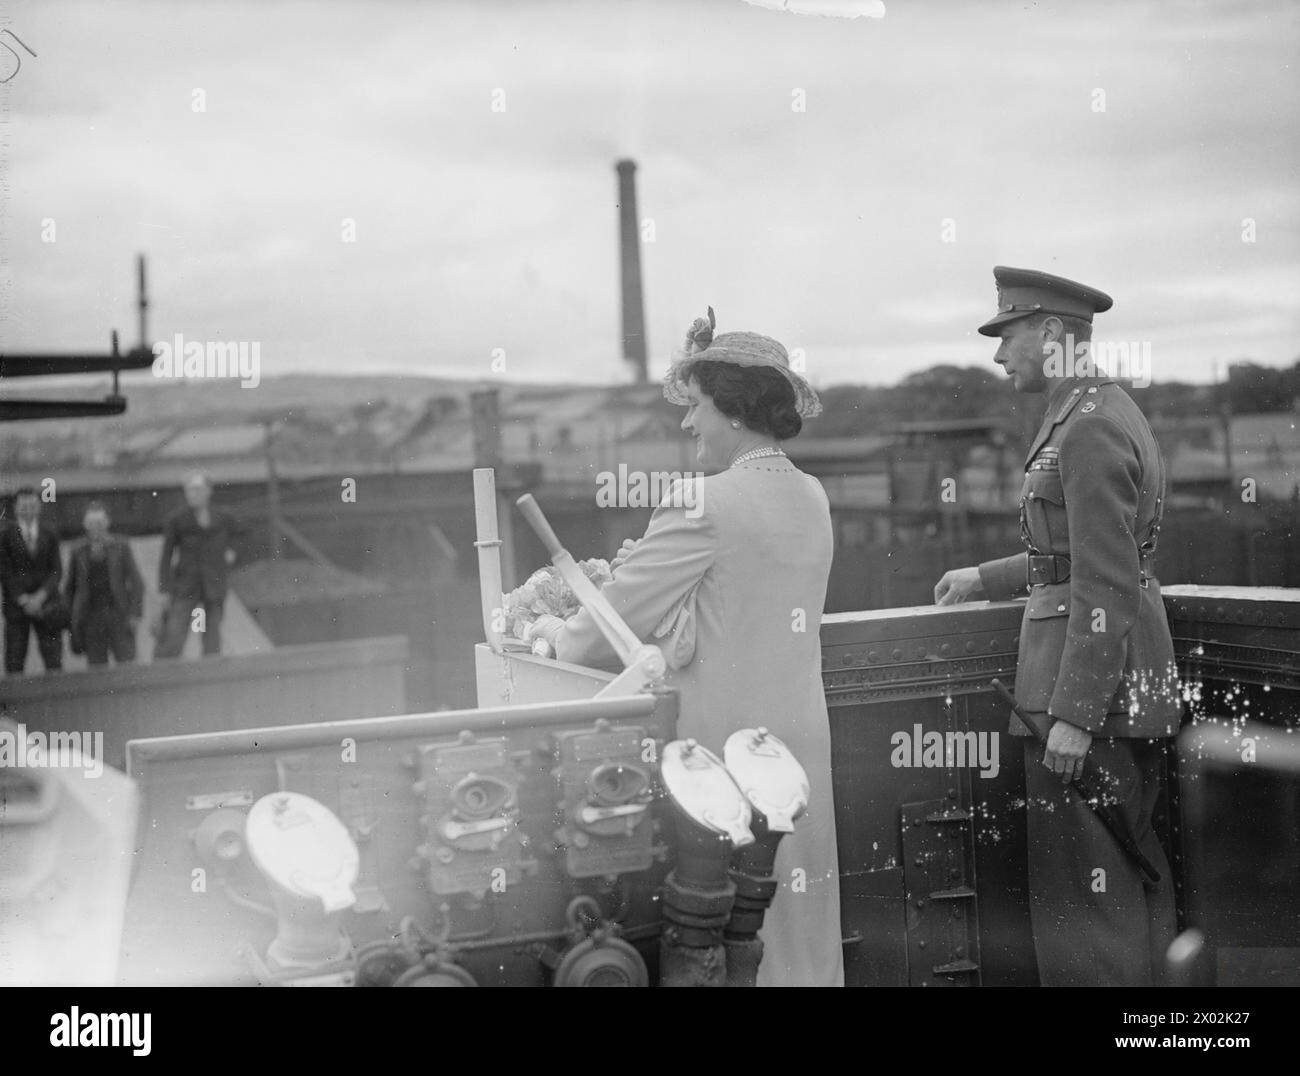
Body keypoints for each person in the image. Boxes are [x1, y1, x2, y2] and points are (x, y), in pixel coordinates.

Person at [529, 308, 844, 987]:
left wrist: (546, 630)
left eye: (696, 405)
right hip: (798, 750)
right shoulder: (812, 496)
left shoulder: (701, 502)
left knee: (726, 927)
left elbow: (598, 635)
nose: (687, 422)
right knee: (796, 923)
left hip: (722, 759)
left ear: (733, 410)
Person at [934, 266, 1182, 986]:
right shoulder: (1100, 408)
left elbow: (1105, 577)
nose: (998, 354)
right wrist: (987, 578)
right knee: (1119, 877)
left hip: (1088, 700)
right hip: (1117, 686)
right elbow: (1088, 550)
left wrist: (1073, 715)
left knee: (1087, 898)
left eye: (1006, 335)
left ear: (1049, 332)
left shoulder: (1088, 425)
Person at [154, 472, 241, 659]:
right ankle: (168, 672)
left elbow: (241, 534)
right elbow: (166, 556)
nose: (193, 494)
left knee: (212, 636)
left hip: (214, 585)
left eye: (198, 489)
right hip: (185, 586)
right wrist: (164, 589)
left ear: (209, 491)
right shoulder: (177, 519)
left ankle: (211, 673)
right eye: (190, 490)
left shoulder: (223, 517)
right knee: (175, 633)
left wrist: (232, 551)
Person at [65, 502, 144, 667]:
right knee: (96, 668)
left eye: (100, 523)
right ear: (85, 524)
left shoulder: (121, 546)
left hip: (118, 614)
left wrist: (135, 613)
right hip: (91, 618)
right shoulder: (78, 550)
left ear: (107, 522)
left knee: (127, 664)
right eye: (91, 523)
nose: (96, 528)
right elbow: (70, 588)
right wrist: (73, 620)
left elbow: (137, 582)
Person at [0, 486, 64, 675]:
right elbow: (5, 572)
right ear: (15, 508)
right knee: (14, 661)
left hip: (47, 606)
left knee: (54, 661)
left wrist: (40, 597)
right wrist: (24, 600)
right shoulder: (5, 535)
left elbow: (57, 570)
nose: (28, 510)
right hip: (17, 608)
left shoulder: (50, 532)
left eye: (32, 505)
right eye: (23, 506)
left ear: (39, 507)